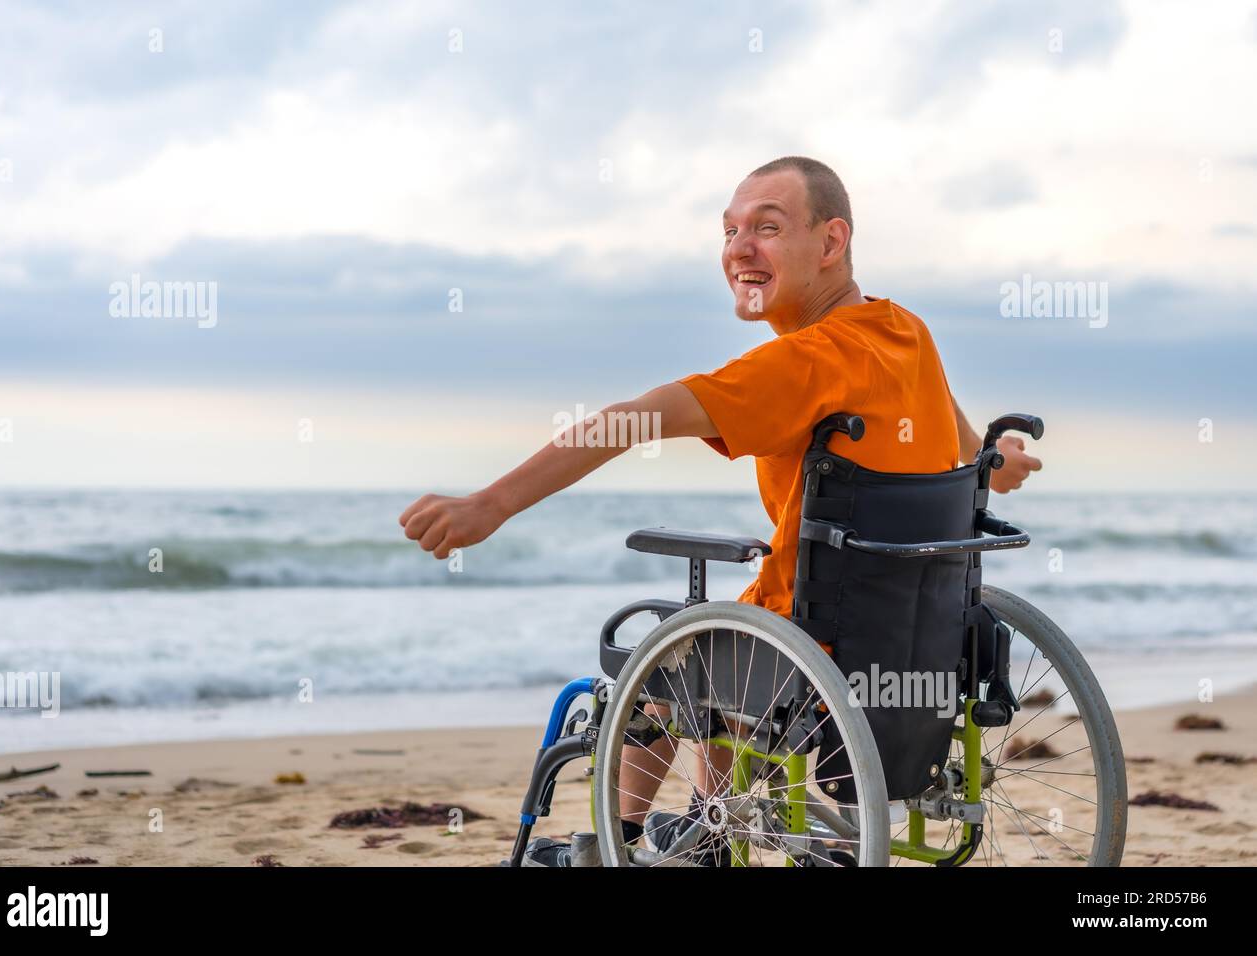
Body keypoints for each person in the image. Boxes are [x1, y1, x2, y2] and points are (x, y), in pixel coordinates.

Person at [400, 156, 1041, 861]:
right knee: (733, 635)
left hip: (812, 649)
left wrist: (490, 505)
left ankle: (624, 840)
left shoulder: (804, 362)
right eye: (730, 230)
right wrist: (995, 462)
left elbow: (633, 418)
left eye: (767, 227)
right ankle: (710, 820)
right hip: (914, 642)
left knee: (661, 663)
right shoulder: (904, 333)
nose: (739, 249)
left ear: (831, 243)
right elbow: (952, 429)